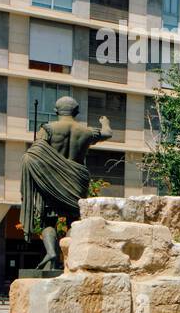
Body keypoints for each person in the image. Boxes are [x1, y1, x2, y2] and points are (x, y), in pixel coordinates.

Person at [20, 96, 112, 270]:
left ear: (56, 111)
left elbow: (35, 153)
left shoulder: (47, 129)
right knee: (74, 220)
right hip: (77, 179)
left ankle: (51, 253)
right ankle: (70, 257)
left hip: (52, 182)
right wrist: (105, 122)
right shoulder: (86, 131)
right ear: (76, 112)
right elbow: (107, 134)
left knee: (49, 221)